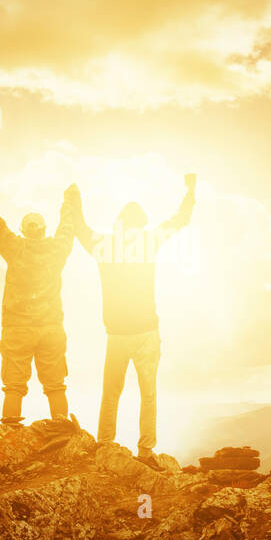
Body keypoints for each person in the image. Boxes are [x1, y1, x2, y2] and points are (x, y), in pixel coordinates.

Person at [70, 173, 196, 457]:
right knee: (148, 393)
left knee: (111, 391)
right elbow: (179, 220)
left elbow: (80, 228)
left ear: (119, 223)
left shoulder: (105, 244)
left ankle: (105, 443)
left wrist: (75, 200)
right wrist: (190, 191)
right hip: (146, 332)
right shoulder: (149, 241)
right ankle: (145, 450)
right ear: (142, 224)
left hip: (116, 334)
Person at [0, 183, 80, 424]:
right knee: (56, 386)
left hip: (17, 329)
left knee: (13, 387)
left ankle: (12, 433)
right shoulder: (56, 249)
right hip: (51, 328)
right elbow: (67, 227)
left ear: (23, 231)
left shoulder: (14, 247)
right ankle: (61, 430)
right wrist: (69, 202)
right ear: (44, 230)